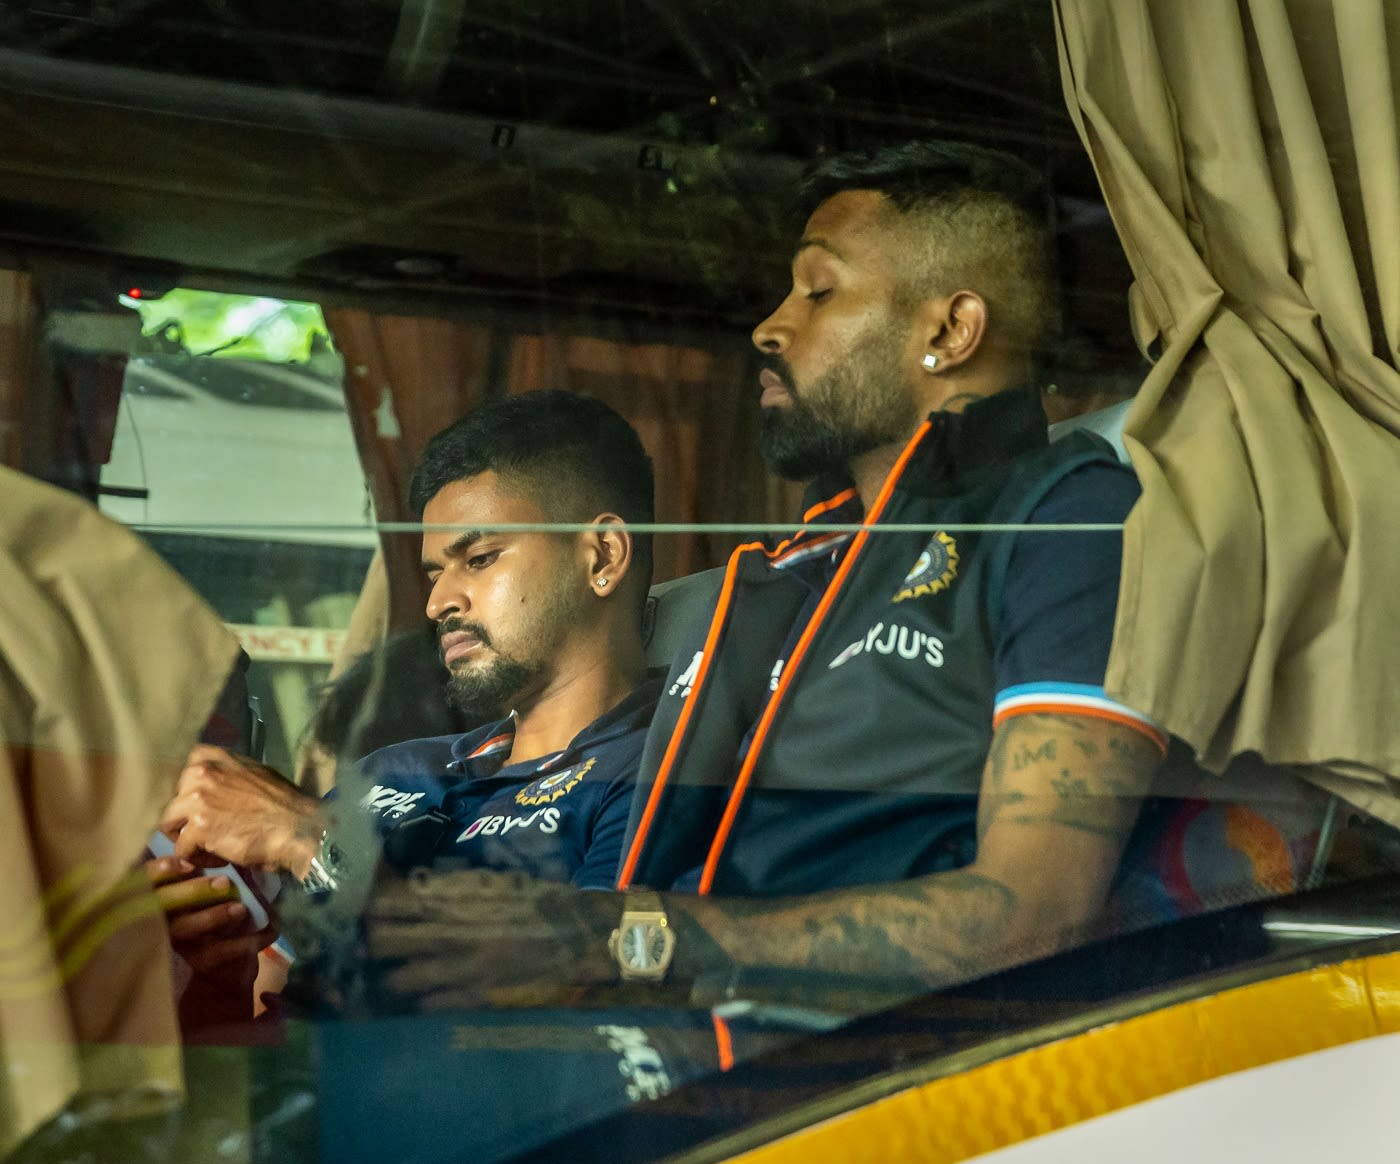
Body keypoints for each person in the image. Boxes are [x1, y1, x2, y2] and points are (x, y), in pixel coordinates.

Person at [364, 140, 1170, 1008]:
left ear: (950, 331)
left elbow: (1037, 915)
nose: (769, 327)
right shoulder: (804, 569)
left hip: (856, 1059)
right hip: (672, 1032)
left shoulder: (1065, 520)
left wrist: (629, 939)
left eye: (818, 291)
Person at [158, 390, 661, 895]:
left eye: (480, 559)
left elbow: (589, 947)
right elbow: (291, 932)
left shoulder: (659, 777)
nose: (437, 603)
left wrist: (309, 841)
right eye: (435, 574)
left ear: (601, 556)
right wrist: (231, 936)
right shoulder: (396, 770)